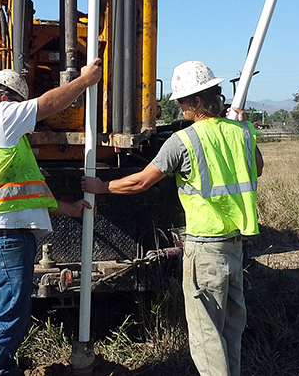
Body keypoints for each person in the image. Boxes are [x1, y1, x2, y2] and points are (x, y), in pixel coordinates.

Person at [82, 60, 263, 376]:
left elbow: (141, 181)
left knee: (207, 339)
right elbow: (256, 167)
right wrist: (239, 126)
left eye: (182, 101)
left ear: (196, 102)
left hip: (205, 252)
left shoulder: (184, 141)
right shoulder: (243, 133)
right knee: (230, 334)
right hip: (235, 249)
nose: (179, 107)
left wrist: (102, 186)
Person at [0, 58, 102, 376]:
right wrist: (84, 81)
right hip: (2, 238)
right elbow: (47, 104)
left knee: (9, 319)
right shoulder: (1, 115)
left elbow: (23, 195)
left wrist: (70, 209)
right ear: (10, 97)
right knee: (8, 321)